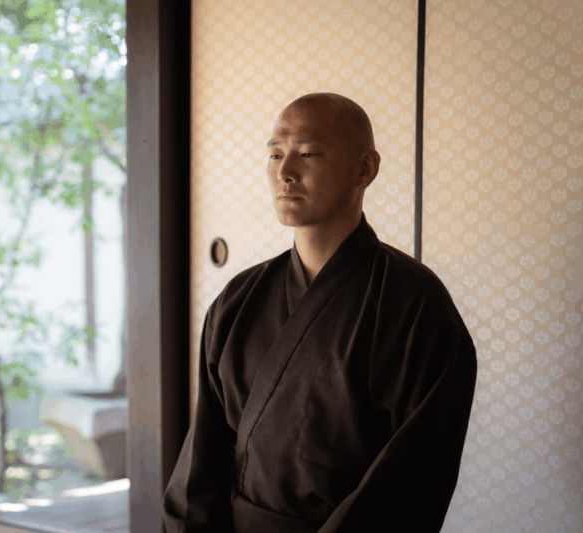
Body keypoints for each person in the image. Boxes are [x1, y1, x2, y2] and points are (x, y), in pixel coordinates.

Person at [161, 93, 477, 532]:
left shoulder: (414, 305)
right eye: (275, 154)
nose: (284, 173)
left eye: (307, 154)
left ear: (365, 169)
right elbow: (202, 460)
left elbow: (411, 482)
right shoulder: (239, 300)